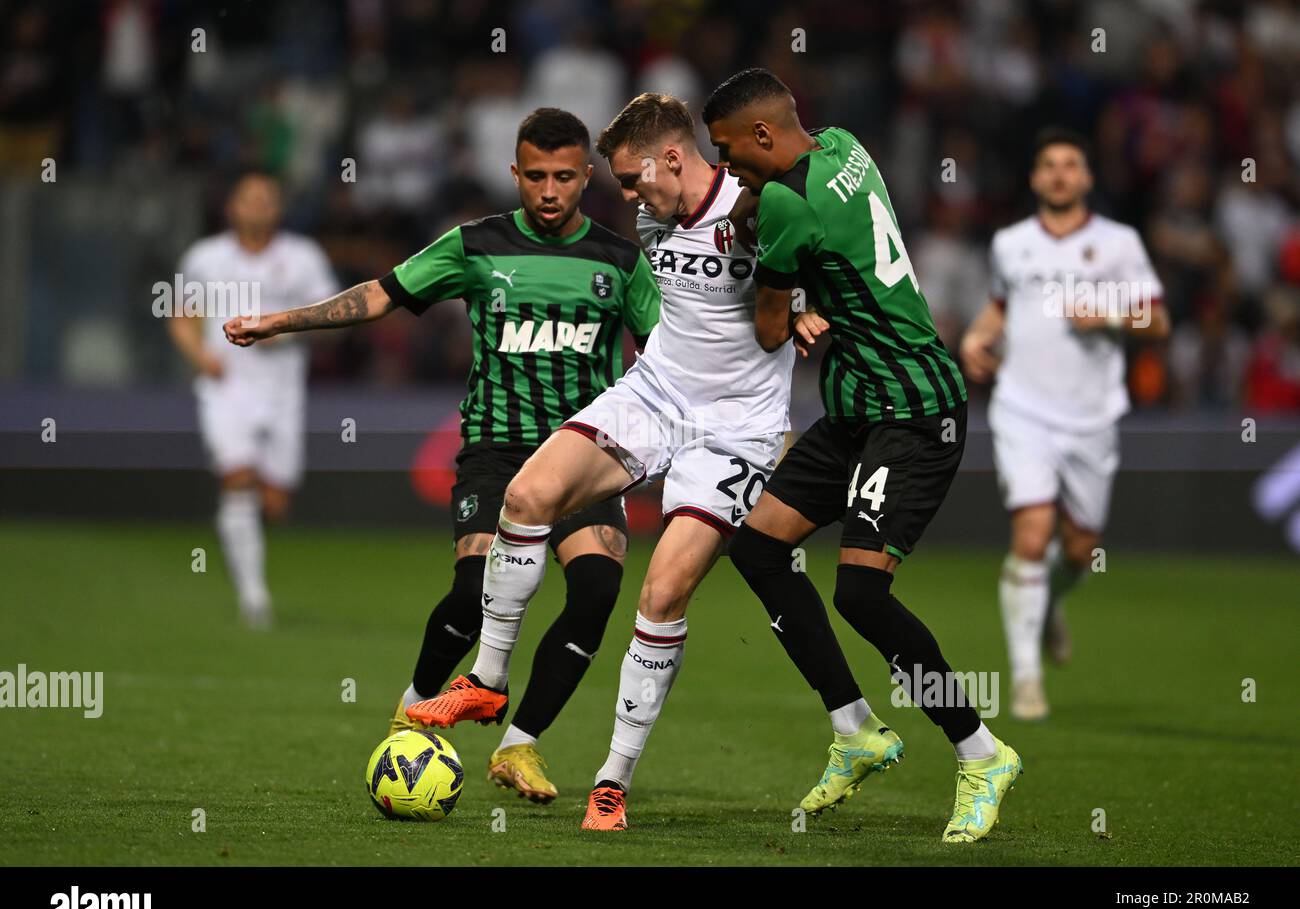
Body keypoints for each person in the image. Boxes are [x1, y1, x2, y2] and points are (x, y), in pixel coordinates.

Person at [224, 109, 661, 803]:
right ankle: (414, 708)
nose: (549, 191)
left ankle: (519, 747)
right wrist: (280, 322)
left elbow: (669, 355)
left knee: (596, 593)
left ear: (587, 176)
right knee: (473, 593)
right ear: (514, 173)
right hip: (497, 450)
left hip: (585, 455)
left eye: (564, 177)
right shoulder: (475, 244)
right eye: (536, 176)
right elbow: (381, 295)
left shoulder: (622, 262)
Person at [405, 92, 792, 830]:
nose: (628, 197)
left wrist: (806, 302)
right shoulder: (652, 218)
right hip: (655, 394)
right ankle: (488, 678)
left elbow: (820, 265)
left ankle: (612, 781)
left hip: (735, 429)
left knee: (659, 597)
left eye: (632, 179)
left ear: (671, 159)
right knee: (528, 494)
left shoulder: (762, 209)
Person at [704, 67, 1019, 843]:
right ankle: (855, 729)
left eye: (730, 152)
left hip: (912, 413)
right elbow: (801, 234)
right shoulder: (845, 145)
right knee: (759, 550)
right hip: (857, 410)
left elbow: (769, 330)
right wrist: (801, 285)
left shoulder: (786, 203)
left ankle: (982, 753)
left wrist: (795, 302)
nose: (726, 169)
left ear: (764, 135)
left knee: (861, 595)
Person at [961, 128, 1169, 720]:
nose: (1059, 174)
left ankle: (1050, 601)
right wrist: (976, 337)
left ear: (1087, 177)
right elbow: (1000, 307)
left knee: (1080, 550)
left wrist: (1108, 315)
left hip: (1091, 416)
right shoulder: (1011, 243)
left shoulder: (1119, 244)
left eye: (1070, 164)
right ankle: (1026, 679)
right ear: (1035, 178)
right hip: (1022, 408)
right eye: (1048, 165)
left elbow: (1157, 323)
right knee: (1031, 535)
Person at [168, 171, 337, 629]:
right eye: (249, 199)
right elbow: (181, 316)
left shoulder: (303, 258)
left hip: (283, 390)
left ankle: (243, 539)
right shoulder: (205, 257)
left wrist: (284, 335)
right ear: (232, 207)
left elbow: (332, 318)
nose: (258, 206)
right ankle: (253, 596)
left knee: (276, 502)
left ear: (279, 208)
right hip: (227, 386)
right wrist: (201, 357)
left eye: (267, 199)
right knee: (238, 477)